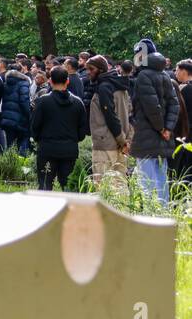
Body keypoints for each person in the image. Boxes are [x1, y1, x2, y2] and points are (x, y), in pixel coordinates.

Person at [128, 38, 180, 206]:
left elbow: (152, 107)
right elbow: (174, 104)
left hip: (147, 134)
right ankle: (164, 214)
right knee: (161, 178)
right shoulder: (165, 75)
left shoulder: (143, 76)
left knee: (147, 182)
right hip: (164, 137)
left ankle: (152, 218)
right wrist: (168, 129)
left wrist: (160, 128)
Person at [29, 66, 88, 191]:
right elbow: (83, 129)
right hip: (69, 149)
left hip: (47, 148)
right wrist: (73, 139)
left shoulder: (42, 102)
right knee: (68, 188)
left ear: (50, 81)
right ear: (67, 81)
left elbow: (34, 126)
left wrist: (40, 139)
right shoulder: (78, 103)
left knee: (45, 185)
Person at [85, 55, 131, 187]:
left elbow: (111, 116)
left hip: (106, 144)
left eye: (91, 69)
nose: (88, 72)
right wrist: (127, 140)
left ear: (100, 69)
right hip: (121, 143)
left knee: (103, 186)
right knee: (120, 186)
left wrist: (122, 140)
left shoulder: (104, 87)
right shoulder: (120, 84)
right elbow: (130, 113)